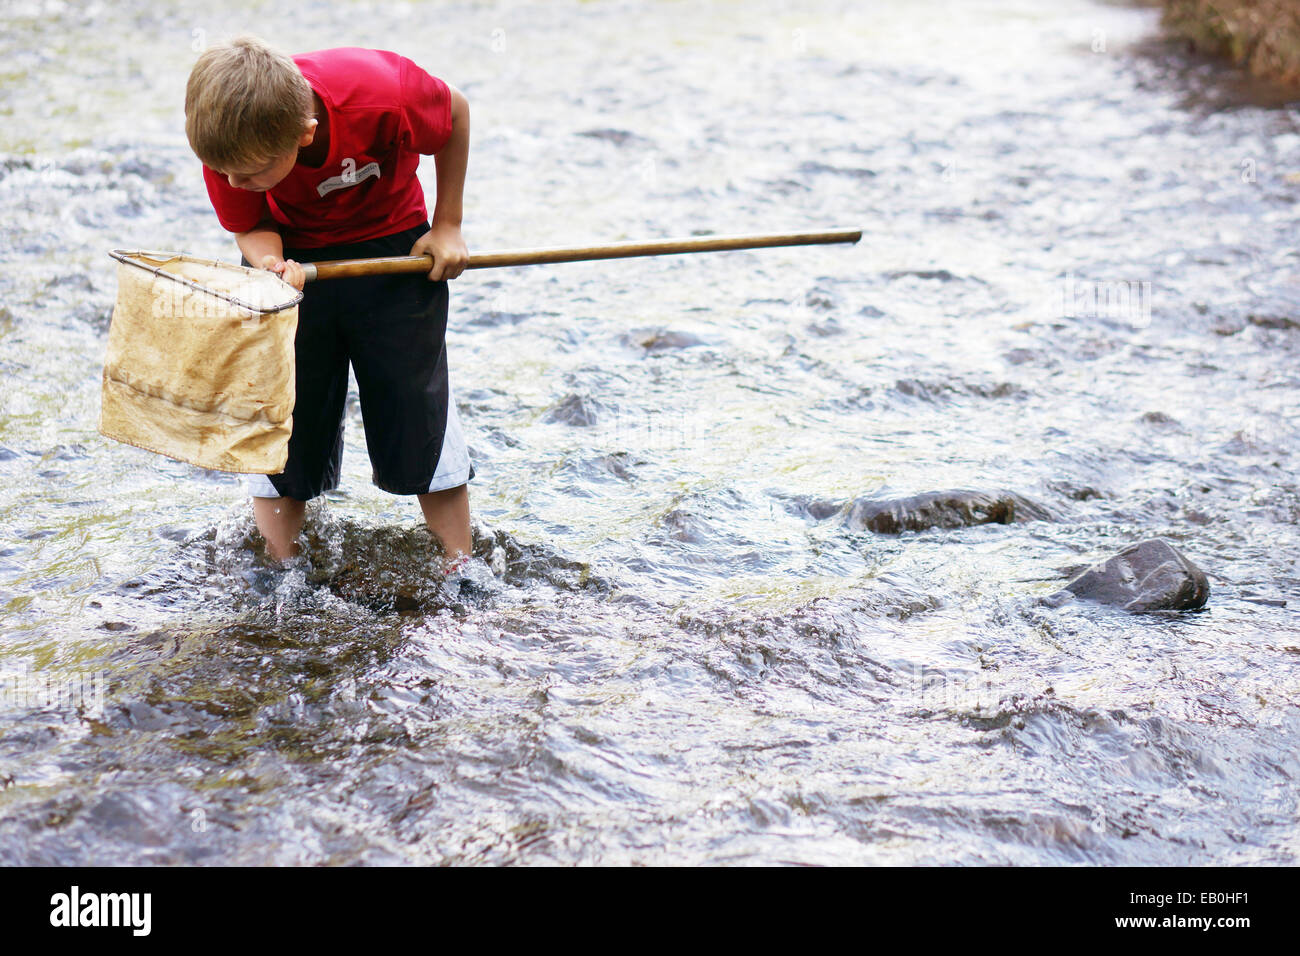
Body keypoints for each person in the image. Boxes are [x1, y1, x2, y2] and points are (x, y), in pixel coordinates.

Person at [184, 36, 480, 583]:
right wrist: (271, 263)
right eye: (221, 170)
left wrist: (449, 226)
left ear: (305, 134)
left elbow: (456, 111)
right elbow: (250, 226)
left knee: (416, 401)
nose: (231, 183)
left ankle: (460, 570)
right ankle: (281, 572)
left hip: (396, 252)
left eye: (247, 173)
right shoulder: (228, 145)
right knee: (284, 408)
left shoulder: (383, 93)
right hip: (293, 258)